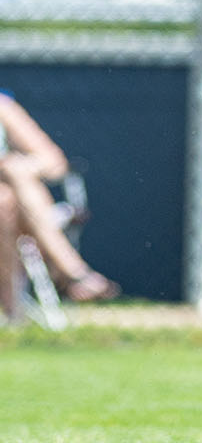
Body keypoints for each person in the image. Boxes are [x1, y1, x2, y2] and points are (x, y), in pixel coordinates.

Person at [0, 91, 119, 321]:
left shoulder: (2, 107)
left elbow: (53, 162)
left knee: (11, 188)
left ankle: (13, 310)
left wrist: (19, 168)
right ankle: (72, 274)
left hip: (14, 211)